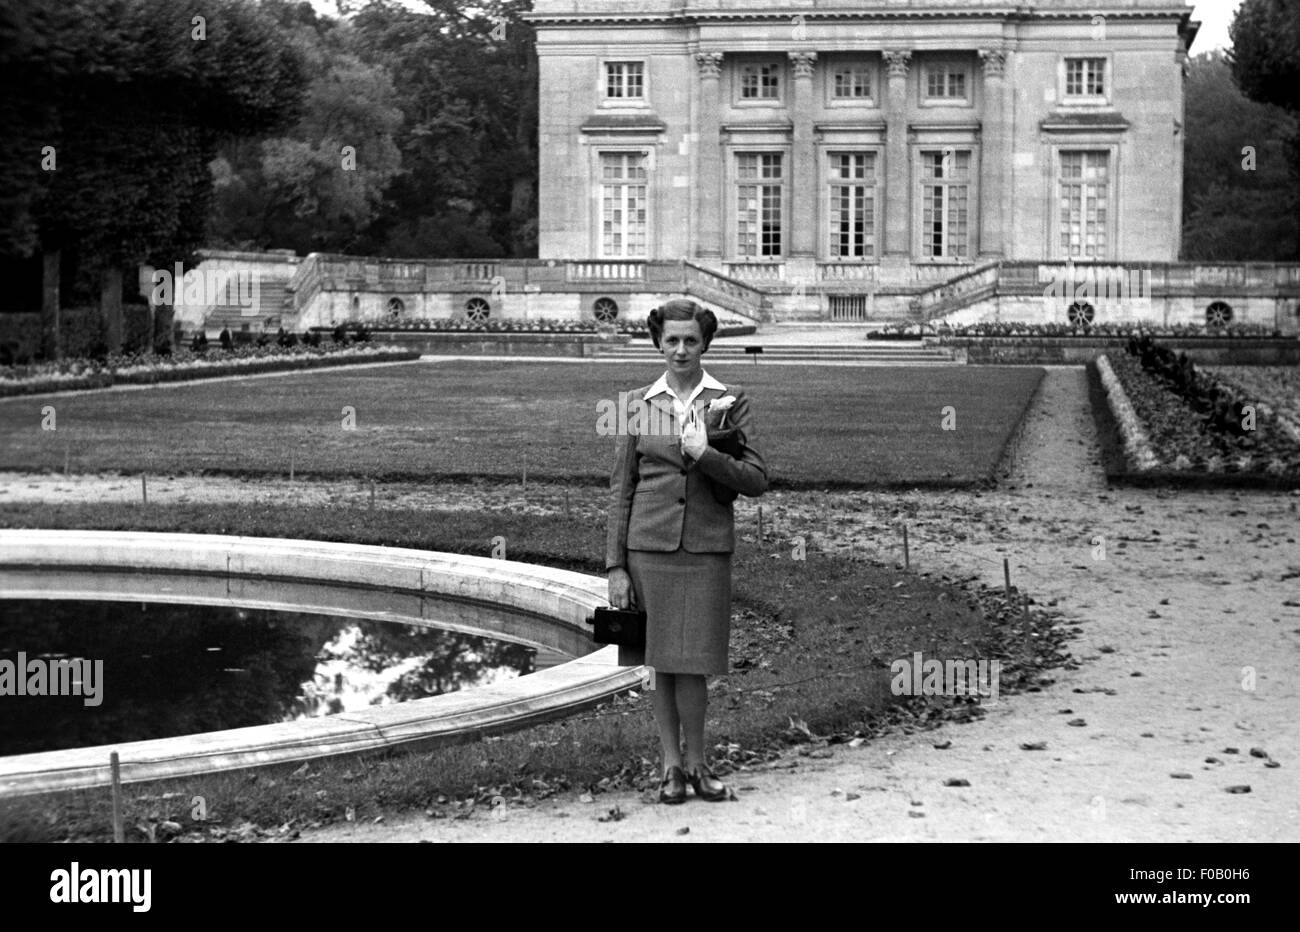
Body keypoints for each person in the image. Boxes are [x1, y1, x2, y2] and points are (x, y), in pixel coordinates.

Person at [605, 298, 769, 804]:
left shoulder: (729, 399)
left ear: (705, 344)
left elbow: (758, 479)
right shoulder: (635, 402)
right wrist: (615, 565)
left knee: (694, 661)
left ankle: (699, 764)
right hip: (648, 549)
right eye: (671, 340)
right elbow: (621, 489)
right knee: (663, 663)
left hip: (703, 548)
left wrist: (706, 454)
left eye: (690, 341)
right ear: (658, 342)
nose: (680, 350)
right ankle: (670, 768)